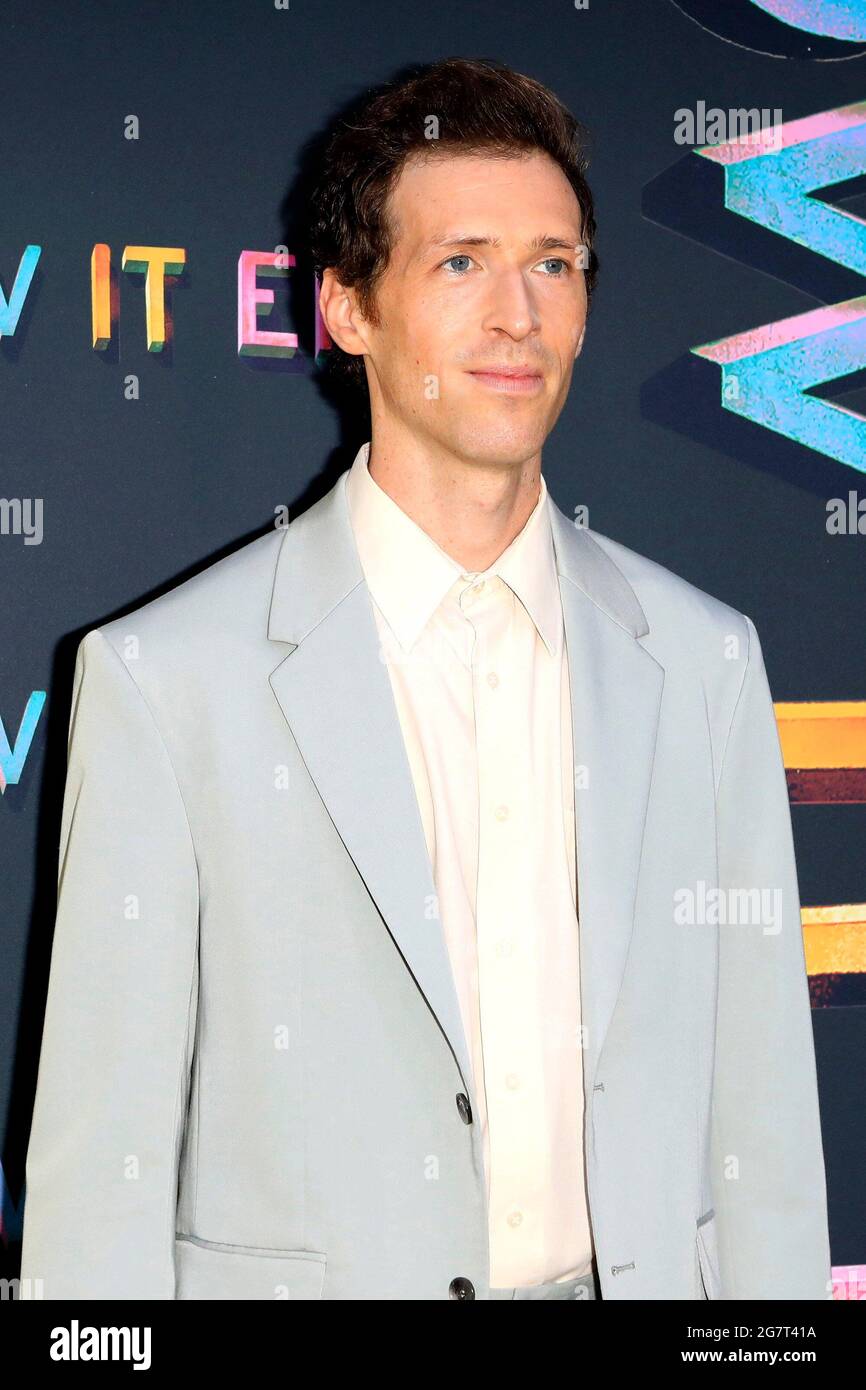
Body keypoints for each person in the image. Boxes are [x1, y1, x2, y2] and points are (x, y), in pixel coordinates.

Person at [20, 56, 831, 1301]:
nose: (518, 313)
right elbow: (100, 1183)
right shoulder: (165, 681)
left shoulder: (702, 662)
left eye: (551, 264)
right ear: (347, 308)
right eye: (461, 262)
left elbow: (763, 1134)